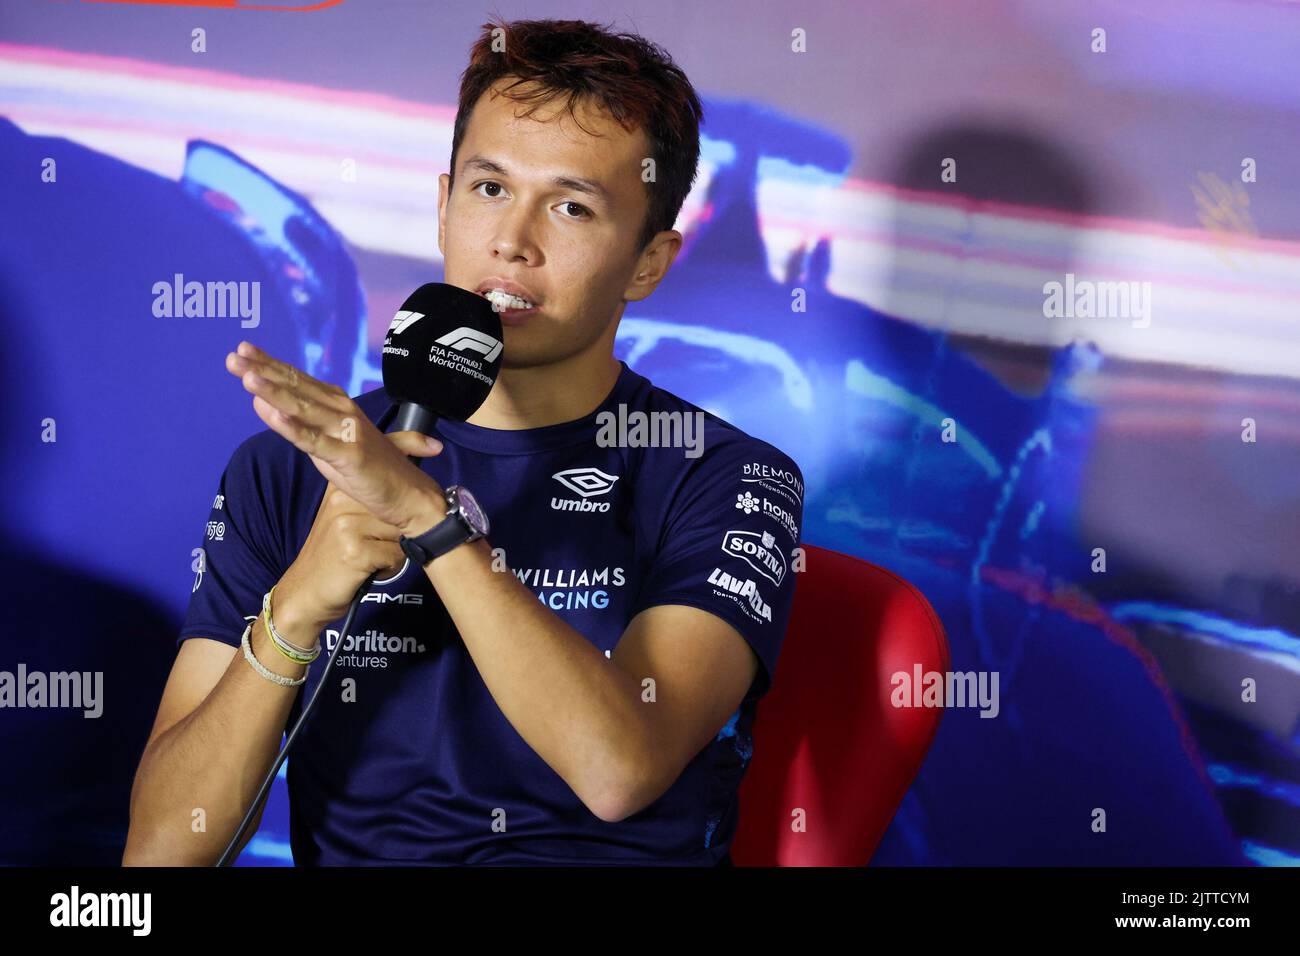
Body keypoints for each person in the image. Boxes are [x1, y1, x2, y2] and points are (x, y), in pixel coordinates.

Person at [124, 16, 804, 866]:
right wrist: (300, 602)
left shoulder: (726, 476)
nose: (512, 243)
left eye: (571, 206)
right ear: (443, 206)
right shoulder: (291, 470)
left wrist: (430, 524)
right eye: (489, 190)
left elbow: (619, 767)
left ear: (648, 262)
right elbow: (159, 857)